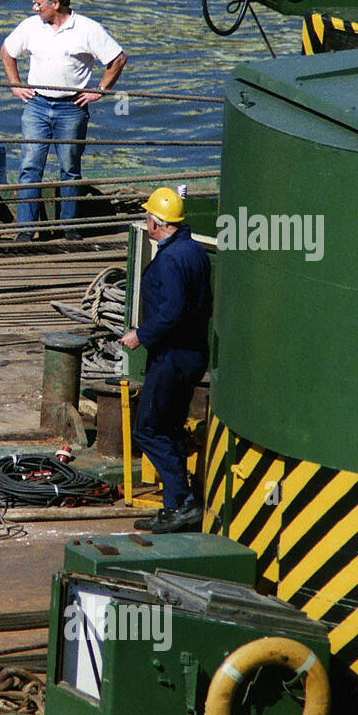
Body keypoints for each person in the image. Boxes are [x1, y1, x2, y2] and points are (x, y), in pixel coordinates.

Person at [0, 0, 126, 242]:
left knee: (69, 167)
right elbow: (7, 51)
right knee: (30, 166)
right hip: (36, 103)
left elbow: (117, 58)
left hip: (72, 106)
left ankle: (70, 227)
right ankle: (25, 230)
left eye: (38, 4)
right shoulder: (30, 27)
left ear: (55, 4)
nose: (34, 8)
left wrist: (100, 90)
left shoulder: (88, 30)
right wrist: (15, 84)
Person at [120, 187, 212, 534]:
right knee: (169, 426)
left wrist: (140, 335)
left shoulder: (172, 259)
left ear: (156, 223)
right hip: (191, 354)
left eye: (148, 218)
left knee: (149, 429)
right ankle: (175, 506)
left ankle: (183, 502)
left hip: (172, 357)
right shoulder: (194, 251)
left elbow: (172, 311)